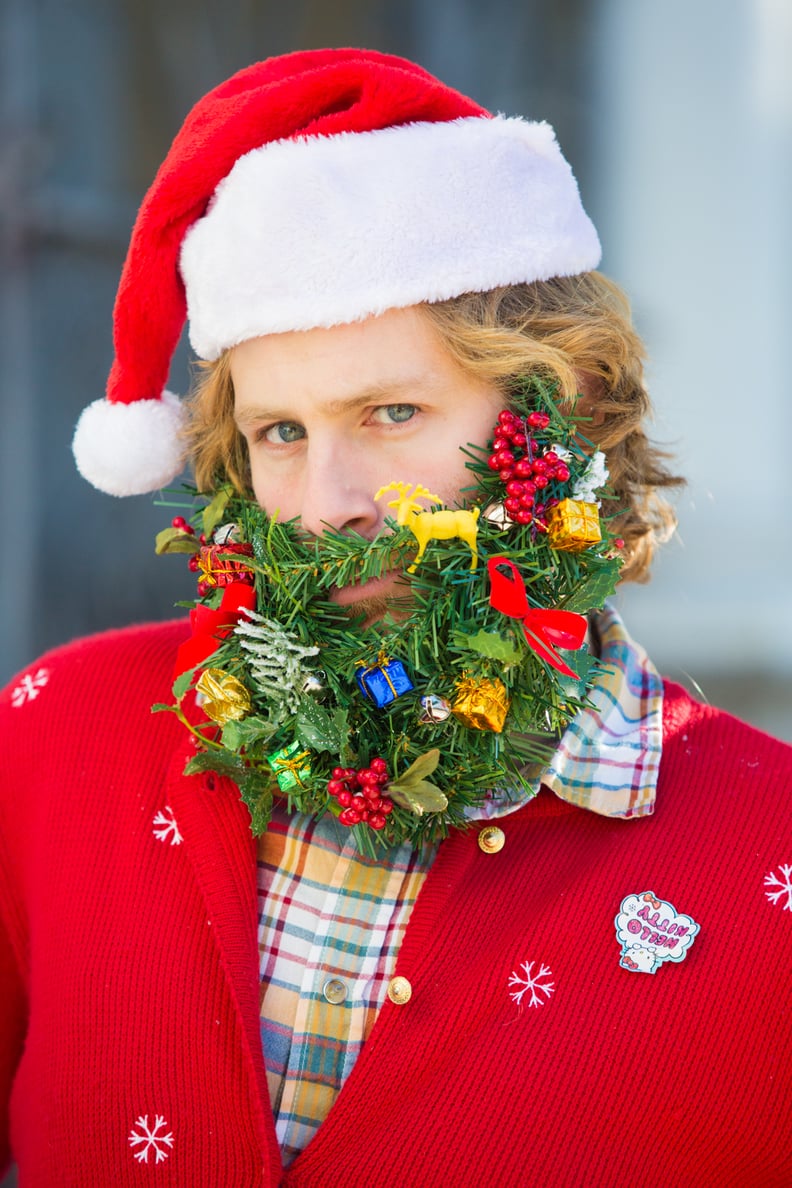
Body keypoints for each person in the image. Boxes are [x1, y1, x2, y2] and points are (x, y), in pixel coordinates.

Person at [1, 48, 790, 1188]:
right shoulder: (58, 737)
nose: (327, 507)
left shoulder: (770, 856)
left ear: (558, 410)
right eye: (281, 434)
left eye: (393, 412)